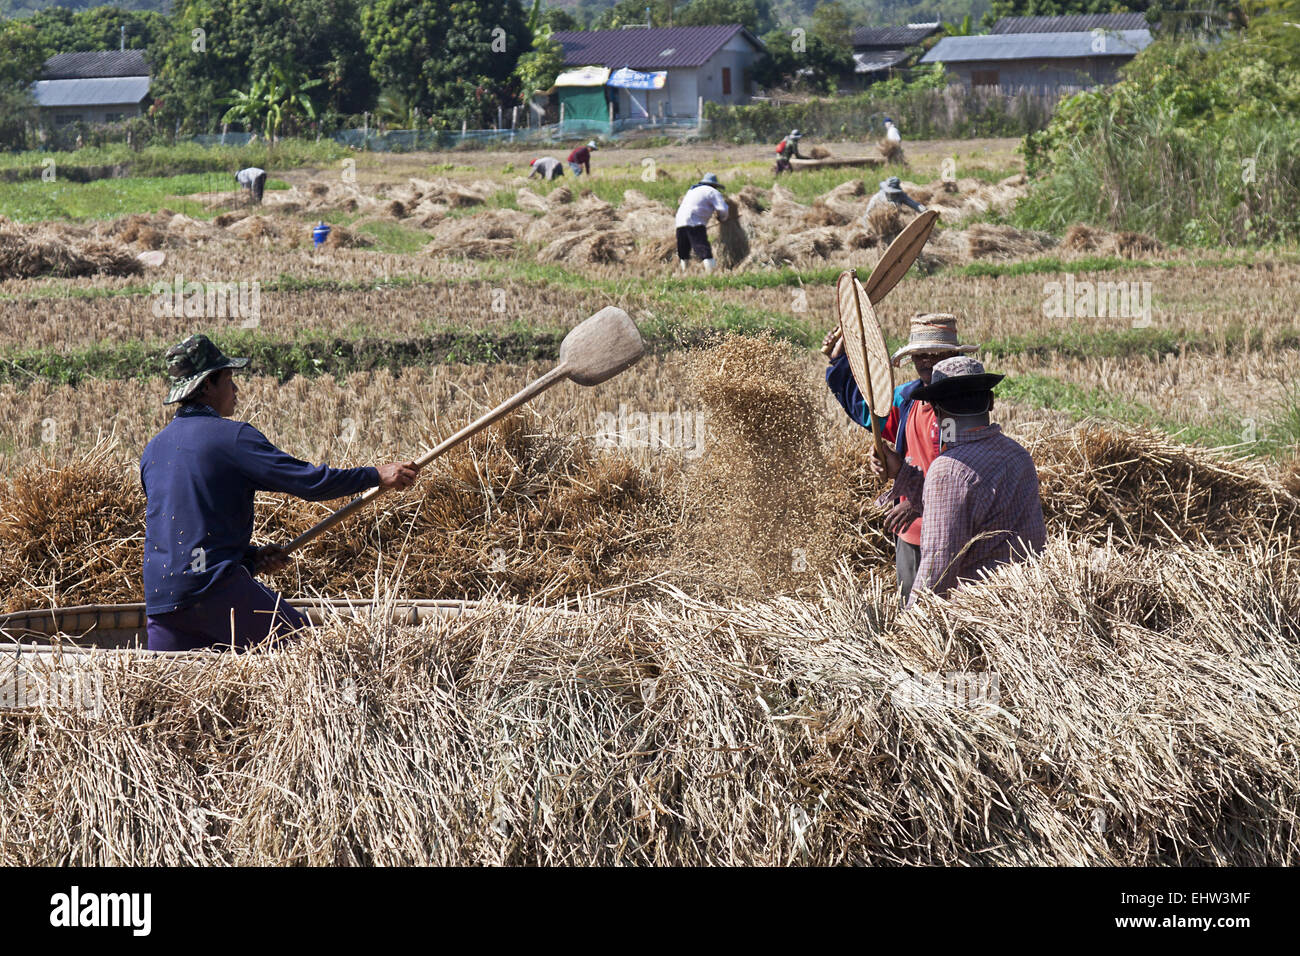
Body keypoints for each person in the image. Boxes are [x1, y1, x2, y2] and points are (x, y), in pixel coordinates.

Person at [140, 334, 420, 652]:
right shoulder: (231, 439)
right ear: (206, 386)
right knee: (314, 656)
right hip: (214, 590)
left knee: (178, 695)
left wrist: (248, 560)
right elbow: (307, 483)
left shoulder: (153, 450)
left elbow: (187, 533)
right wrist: (375, 476)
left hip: (164, 601)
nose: (236, 390)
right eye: (229, 379)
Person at [824, 313, 976, 606]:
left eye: (938, 354)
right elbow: (870, 412)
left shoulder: (966, 409)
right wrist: (841, 362)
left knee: (954, 610)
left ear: (953, 356)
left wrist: (917, 499)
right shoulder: (908, 399)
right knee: (913, 612)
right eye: (921, 355)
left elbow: (966, 477)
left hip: (955, 534)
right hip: (912, 533)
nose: (928, 362)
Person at [873, 356, 1046, 607]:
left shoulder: (947, 470)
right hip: (1026, 601)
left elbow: (937, 568)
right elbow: (967, 503)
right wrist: (902, 473)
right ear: (991, 402)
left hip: (979, 611)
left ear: (937, 410)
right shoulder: (1018, 455)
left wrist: (911, 626)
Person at [674, 172, 729, 273]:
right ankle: (711, 274)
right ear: (714, 185)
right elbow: (723, 209)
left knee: (683, 250)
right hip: (695, 223)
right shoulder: (712, 191)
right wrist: (723, 218)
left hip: (680, 222)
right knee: (703, 248)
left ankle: (684, 273)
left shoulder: (692, 191)